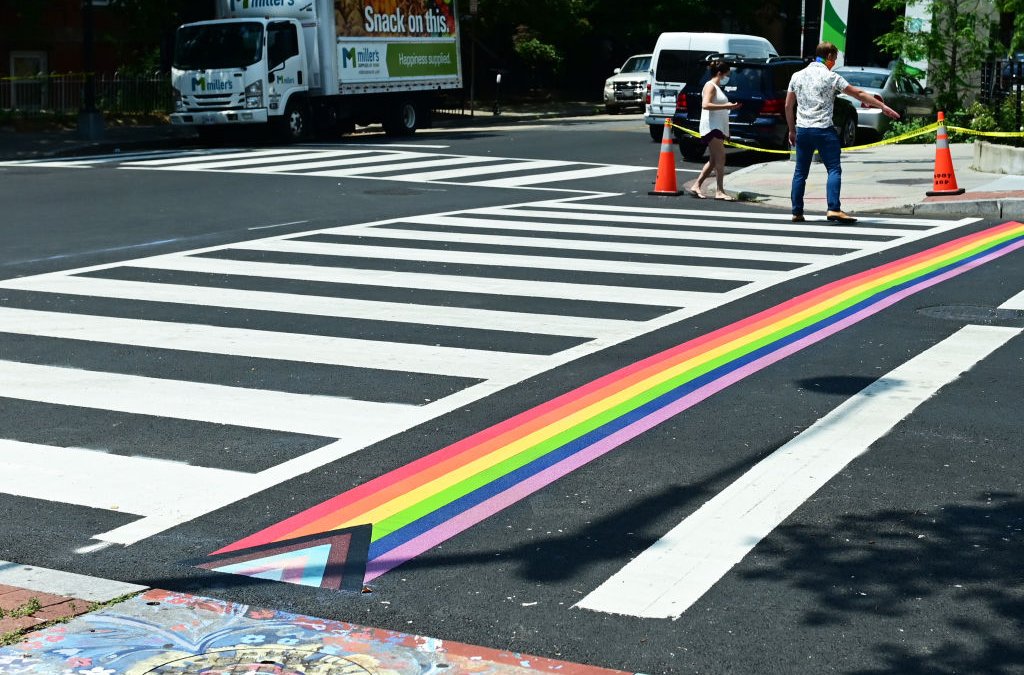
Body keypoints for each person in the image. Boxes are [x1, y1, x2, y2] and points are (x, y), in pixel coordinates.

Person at [785, 42, 900, 223]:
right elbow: (858, 93)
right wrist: (883, 106)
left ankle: (797, 212)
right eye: (835, 57)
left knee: (800, 172)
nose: (835, 61)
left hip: (803, 130)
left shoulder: (796, 76)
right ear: (829, 56)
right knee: (833, 169)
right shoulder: (831, 77)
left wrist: (792, 130)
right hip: (824, 129)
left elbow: (788, 106)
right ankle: (833, 209)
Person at [690, 60, 742, 200]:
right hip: (712, 127)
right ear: (720, 73)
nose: (728, 78)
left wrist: (727, 130)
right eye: (727, 74)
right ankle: (719, 191)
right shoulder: (710, 86)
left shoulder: (717, 87)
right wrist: (727, 105)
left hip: (717, 126)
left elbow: (721, 110)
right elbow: (705, 105)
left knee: (714, 160)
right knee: (721, 157)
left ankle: (697, 185)